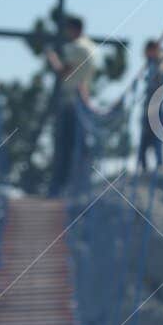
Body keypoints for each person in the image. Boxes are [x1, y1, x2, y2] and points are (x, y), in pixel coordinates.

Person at [46, 15, 98, 195]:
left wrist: (52, 58)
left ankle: (60, 189)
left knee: (65, 146)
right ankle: (82, 185)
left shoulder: (76, 48)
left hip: (71, 100)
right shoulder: (91, 47)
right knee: (81, 145)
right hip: (84, 99)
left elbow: (63, 72)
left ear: (74, 29)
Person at [137, 38, 163, 171]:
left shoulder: (160, 62)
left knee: (156, 140)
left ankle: (159, 166)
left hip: (156, 108)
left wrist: (159, 54)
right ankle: (145, 167)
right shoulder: (150, 63)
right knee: (145, 142)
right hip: (150, 108)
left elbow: (161, 68)